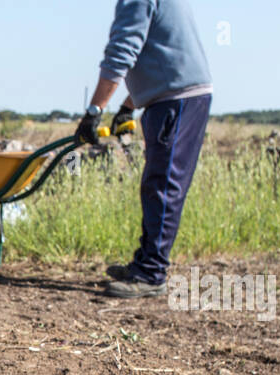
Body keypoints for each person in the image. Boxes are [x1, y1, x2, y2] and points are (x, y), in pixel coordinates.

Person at [76, 0, 213, 298]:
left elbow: (123, 50)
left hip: (176, 100)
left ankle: (151, 274)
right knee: (157, 183)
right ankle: (145, 263)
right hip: (173, 97)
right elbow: (162, 51)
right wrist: (128, 106)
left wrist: (94, 110)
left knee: (163, 186)